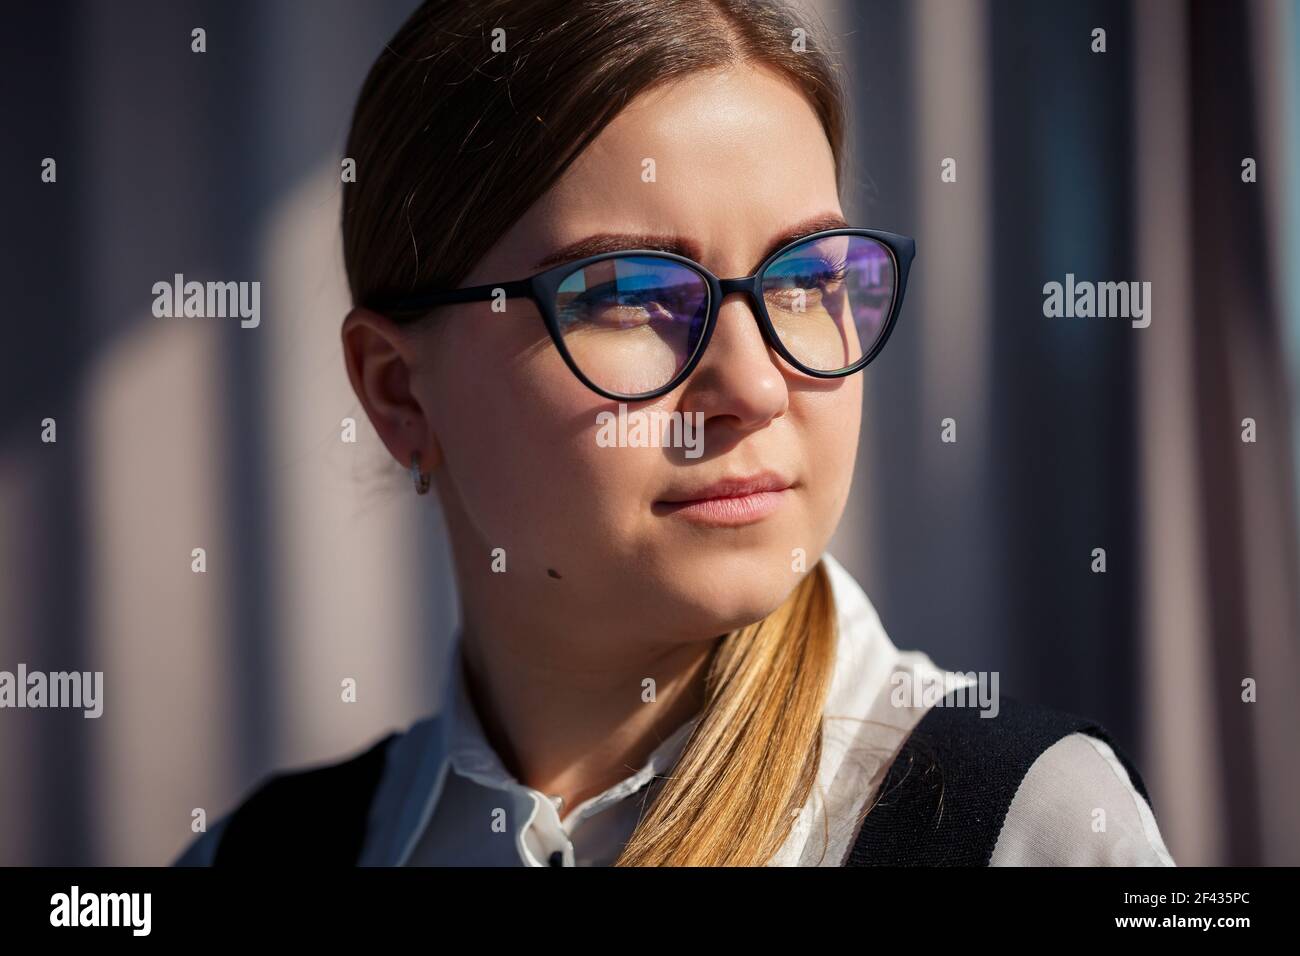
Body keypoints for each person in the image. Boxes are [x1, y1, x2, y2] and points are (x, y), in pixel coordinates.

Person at [174, 0, 1174, 867]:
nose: (751, 384)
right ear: (400, 394)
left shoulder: (1024, 825)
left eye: (806, 279)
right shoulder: (255, 852)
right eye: (628, 294)